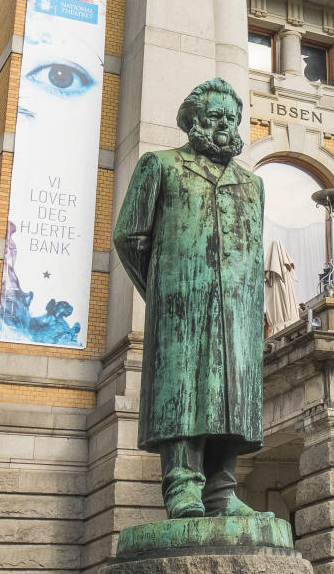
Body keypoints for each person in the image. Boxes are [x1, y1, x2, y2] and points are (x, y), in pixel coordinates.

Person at [113, 78, 268, 519]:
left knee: (230, 398)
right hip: (180, 305)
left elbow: (255, 254)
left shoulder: (251, 184)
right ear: (194, 121)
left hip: (237, 310)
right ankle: (181, 485)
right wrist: (162, 292)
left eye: (231, 117)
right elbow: (129, 237)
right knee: (184, 392)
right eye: (215, 116)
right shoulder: (159, 166)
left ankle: (221, 490)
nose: (224, 125)